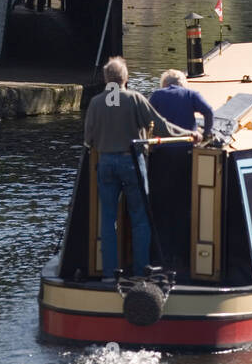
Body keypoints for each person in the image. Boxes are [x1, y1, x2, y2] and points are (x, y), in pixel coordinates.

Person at [84, 56, 186, 281]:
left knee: (108, 219)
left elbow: (88, 140)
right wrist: (189, 135)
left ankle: (109, 274)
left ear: (105, 79)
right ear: (126, 78)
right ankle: (140, 272)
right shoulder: (135, 99)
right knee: (140, 218)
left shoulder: (96, 103)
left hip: (106, 163)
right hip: (131, 162)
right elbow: (162, 126)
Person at [150, 69, 215, 139]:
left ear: (164, 83)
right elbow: (209, 111)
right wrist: (206, 133)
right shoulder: (191, 94)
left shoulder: (157, 95)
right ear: (182, 83)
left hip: (162, 144)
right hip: (187, 142)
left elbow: (146, 116)